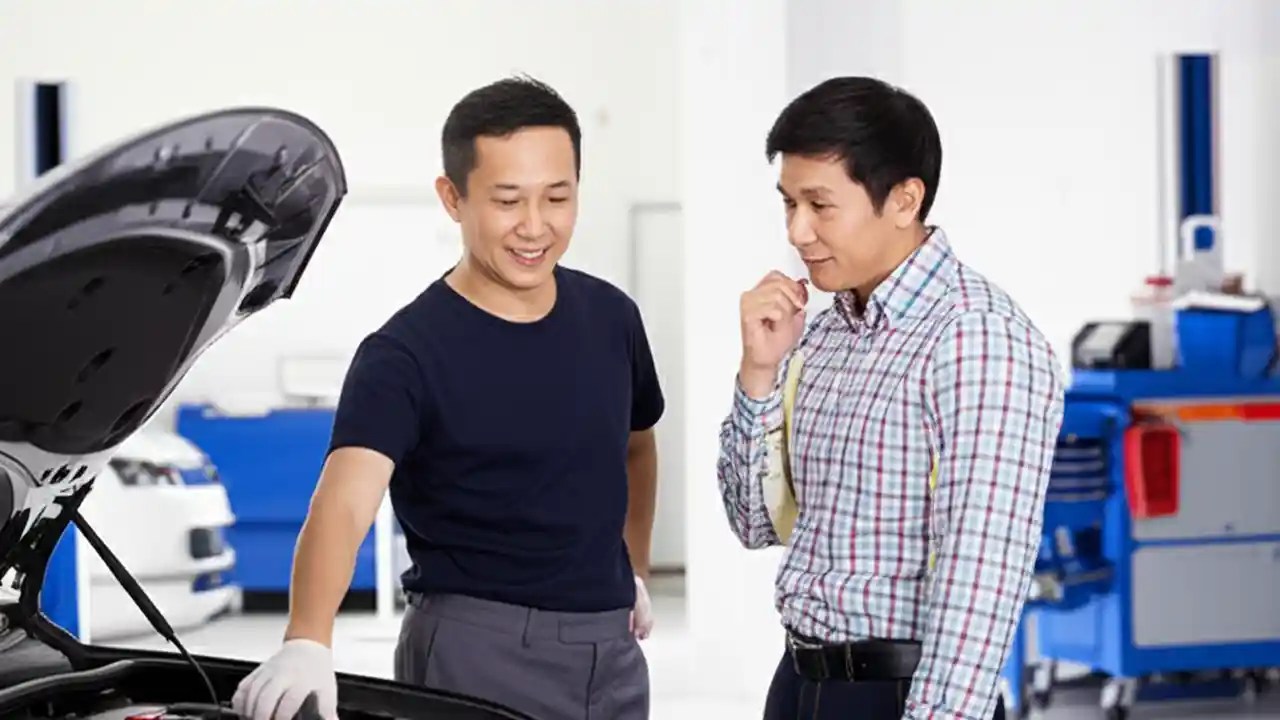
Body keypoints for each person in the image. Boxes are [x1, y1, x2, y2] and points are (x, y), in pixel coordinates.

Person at [231, 75, 664, 720]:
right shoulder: (405, 354)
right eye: (508, 200)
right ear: (453, 198)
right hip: (475, 654)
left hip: (612, 652)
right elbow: (345, 504)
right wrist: (307, 638)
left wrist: (635, 568)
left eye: (557, 197)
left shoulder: (612, 318)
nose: (535, 226)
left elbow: (636, 445)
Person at [719, 76, 1066, 720]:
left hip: (903, 694)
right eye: (788, 203)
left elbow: (982, 578)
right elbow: (754, 523)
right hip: (799, 684)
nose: (797, 231)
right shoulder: (824, 335)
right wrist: (759, 375)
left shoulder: (975, 339)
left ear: (905, 200)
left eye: (820, 206)